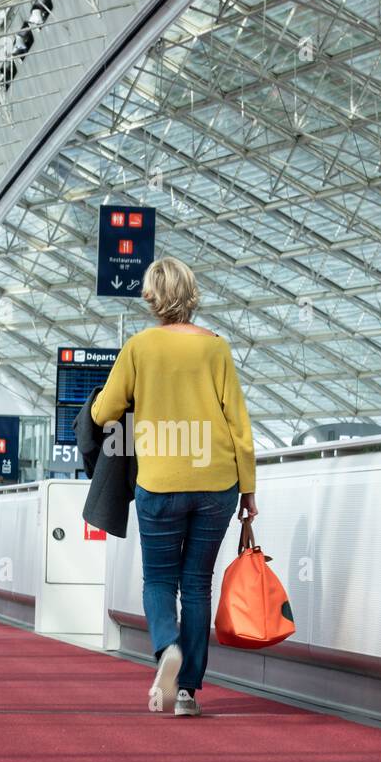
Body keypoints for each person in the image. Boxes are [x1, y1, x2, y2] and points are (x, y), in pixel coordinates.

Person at [90, 256, 256, 717]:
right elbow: (239, 425)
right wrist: (249, 493)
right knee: (197, 583)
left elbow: (105, 413)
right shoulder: (216, 348)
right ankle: (187, 693)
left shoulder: (139, 347)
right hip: (217, 481)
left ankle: (167, 649)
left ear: (152, 297)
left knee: (159, 579)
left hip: (160, 481)